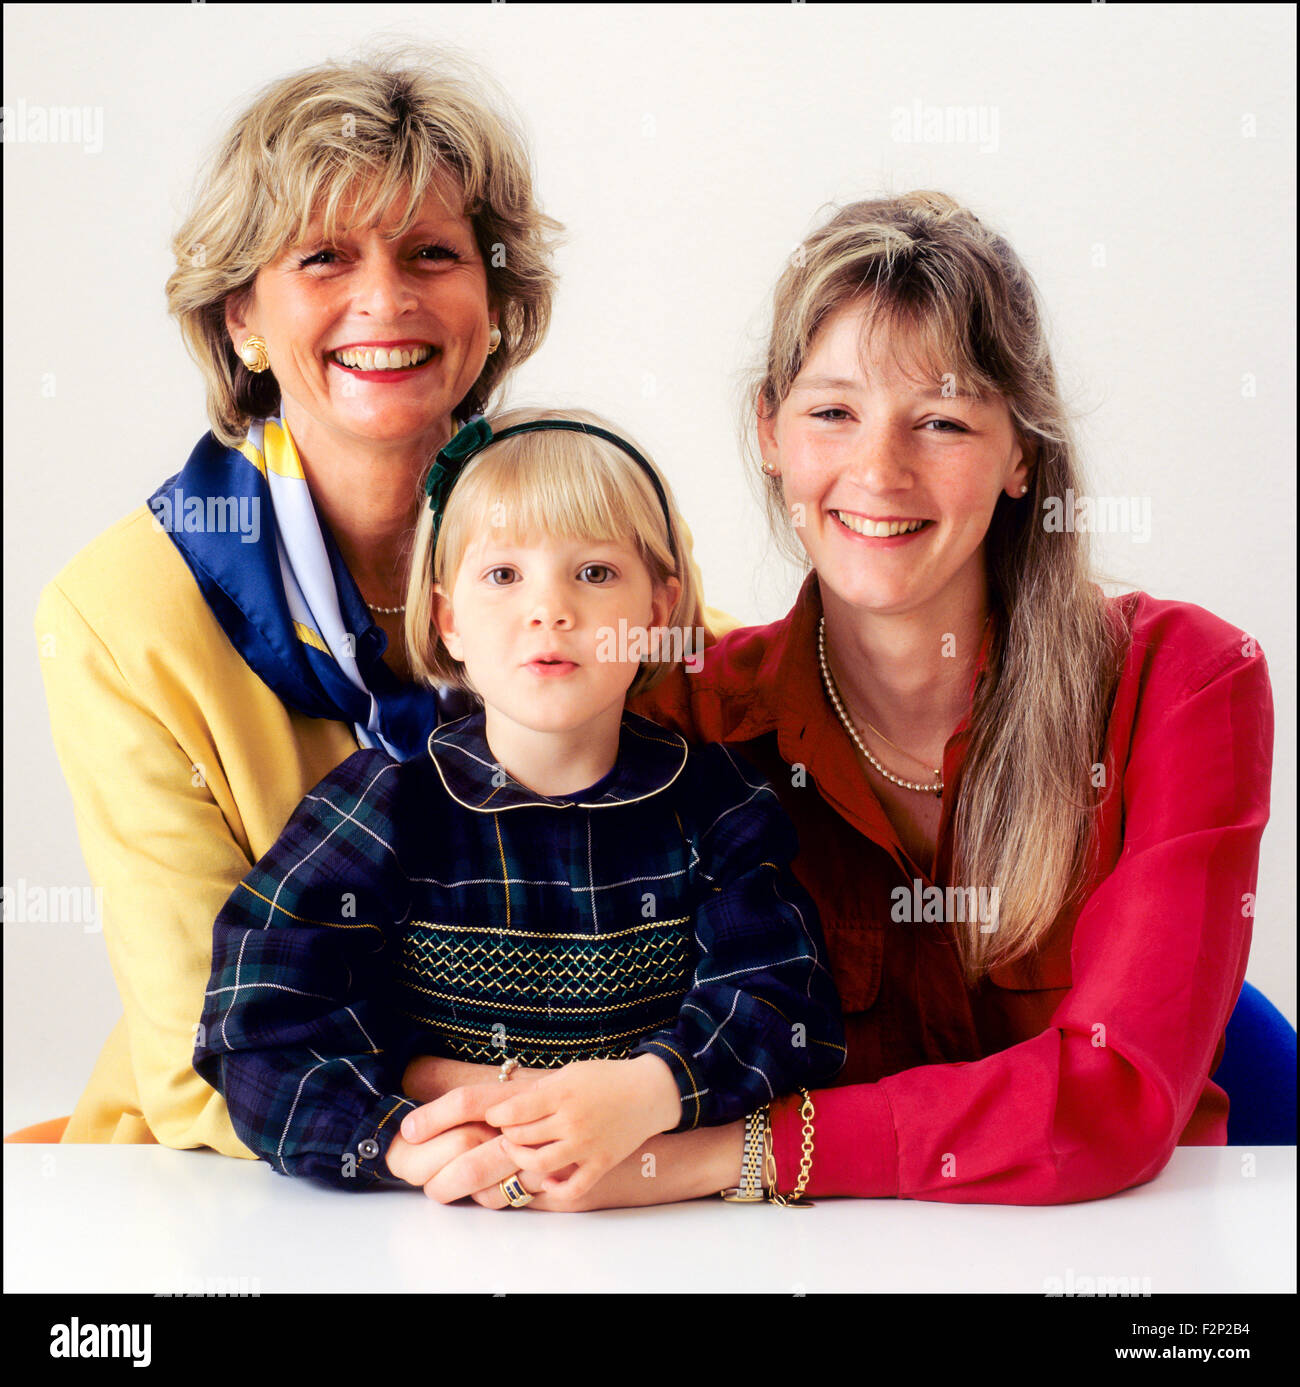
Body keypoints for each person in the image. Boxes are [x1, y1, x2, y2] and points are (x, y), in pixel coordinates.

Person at [397, 191, 1274, 1210]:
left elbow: (1112, 1100)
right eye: (832, 413)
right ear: (769, 431)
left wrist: (716, 1156)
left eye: (941, 420)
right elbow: (464, 965)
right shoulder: (683, 716)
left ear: (1021, 454)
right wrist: (480, 1115)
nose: (877, 471)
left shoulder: (1185, 681)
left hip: (1150, 1257)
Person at [33, 48, 733, 1152]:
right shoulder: (121, 614)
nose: (384, 300)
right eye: (322, 256)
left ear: (494, 304)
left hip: (586, 1169)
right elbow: (196, 1052)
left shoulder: (611, 536)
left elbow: (729, 780)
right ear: (240, 321)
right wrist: (524, 1107)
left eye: (432, 253)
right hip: (250, 1179)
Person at [193, 408, 846, 1199]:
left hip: (657, 1229)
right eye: (504, 575)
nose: (550, 609)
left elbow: (784, 1001)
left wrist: (651, 1089)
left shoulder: (716, 808)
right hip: (426, 1231)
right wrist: (396, 1138)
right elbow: (257, 1021)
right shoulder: (384, 808)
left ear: (657, 610)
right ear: (448, 619)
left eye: (595, 572)